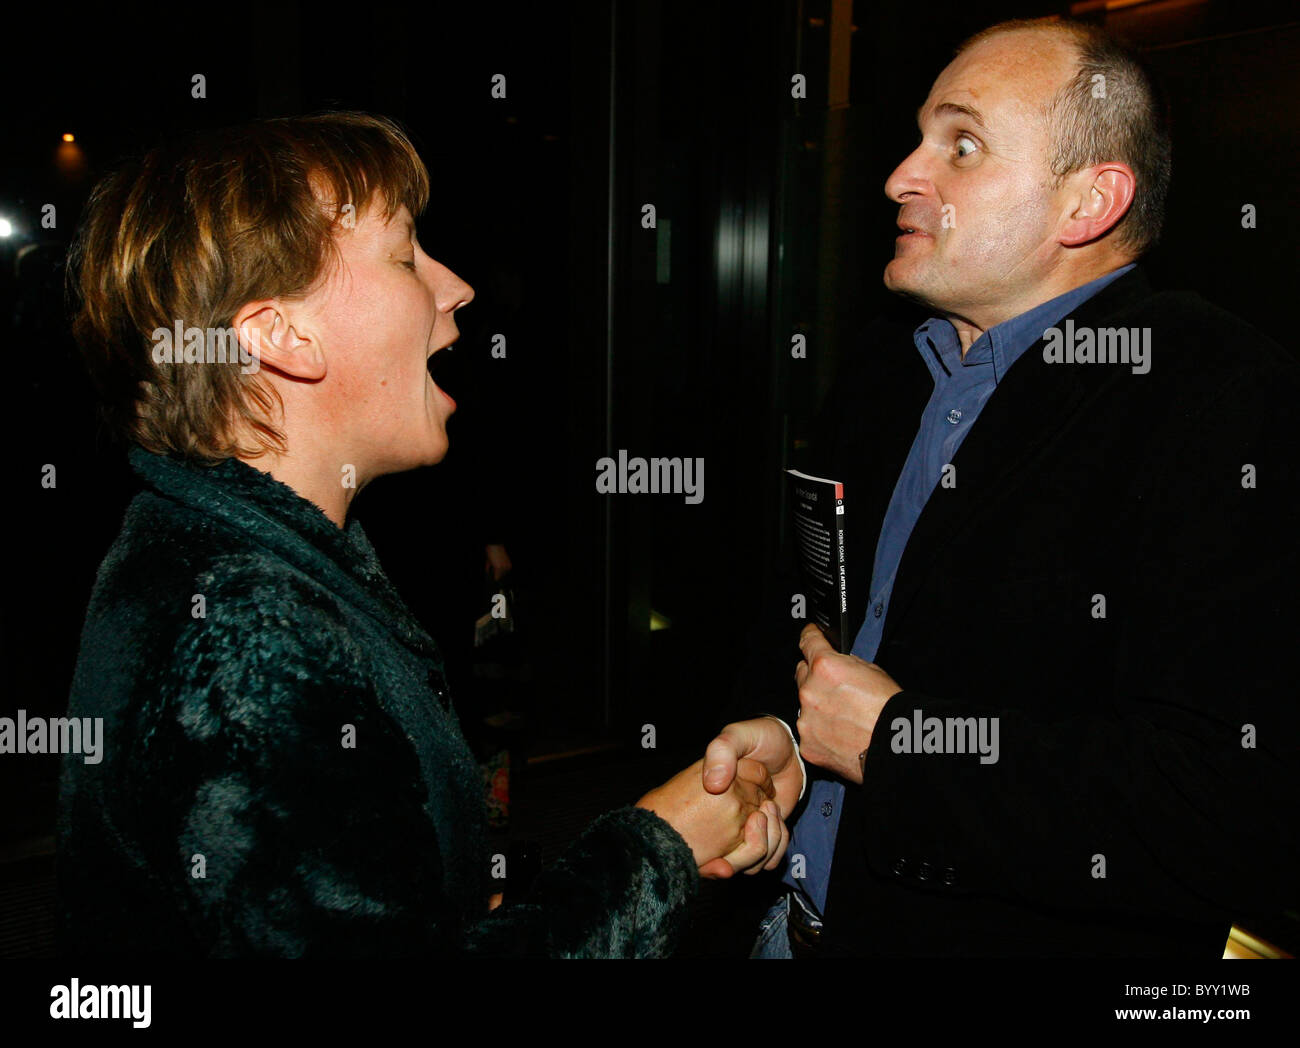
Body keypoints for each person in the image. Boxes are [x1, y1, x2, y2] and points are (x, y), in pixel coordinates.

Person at [56, 112, 785, 957]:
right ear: (280, 337)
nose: (456, 287)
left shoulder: (227, 548)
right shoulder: (244, 632)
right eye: (405, 256)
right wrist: (659, 847)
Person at [702, 17, 1300, 956]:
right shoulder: (885, 368)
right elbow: (814, 622)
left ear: (1088, 203)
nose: (902, 175)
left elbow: (1224, 808)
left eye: (963, 144)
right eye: (919, 137)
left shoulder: (1220, 400)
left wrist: (897, 748)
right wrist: (778, 731)